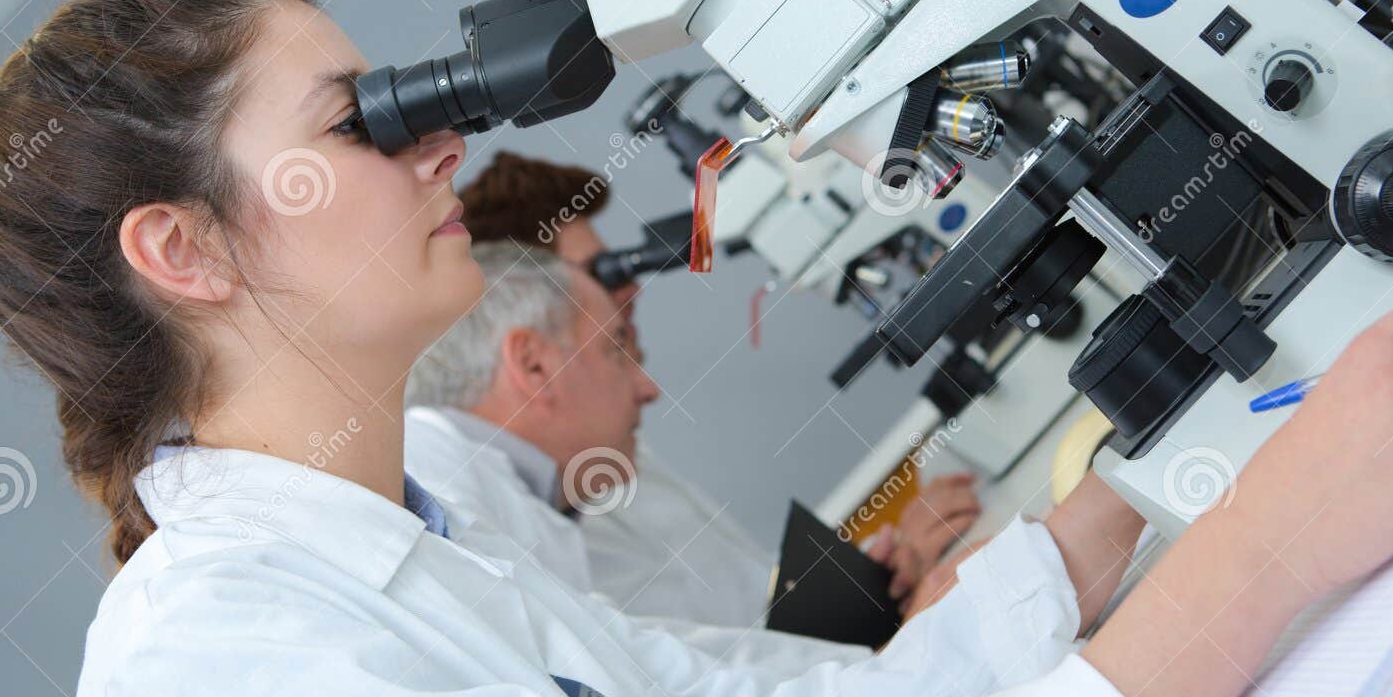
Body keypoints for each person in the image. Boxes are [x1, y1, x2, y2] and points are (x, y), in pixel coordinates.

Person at [0, 0, 1393, 697]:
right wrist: (1263, 556)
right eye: (360, 119)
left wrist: (1142, 484)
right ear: (185, 249)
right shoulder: (225, 661)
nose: (439, 141)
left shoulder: (431, 531)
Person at [419, 152, 978, 625]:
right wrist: (888, 618)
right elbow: (722, 677)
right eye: (597, 275)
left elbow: (752, 611)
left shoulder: (599, 441)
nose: (627, 290)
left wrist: (875, 584)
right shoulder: (559, 497)